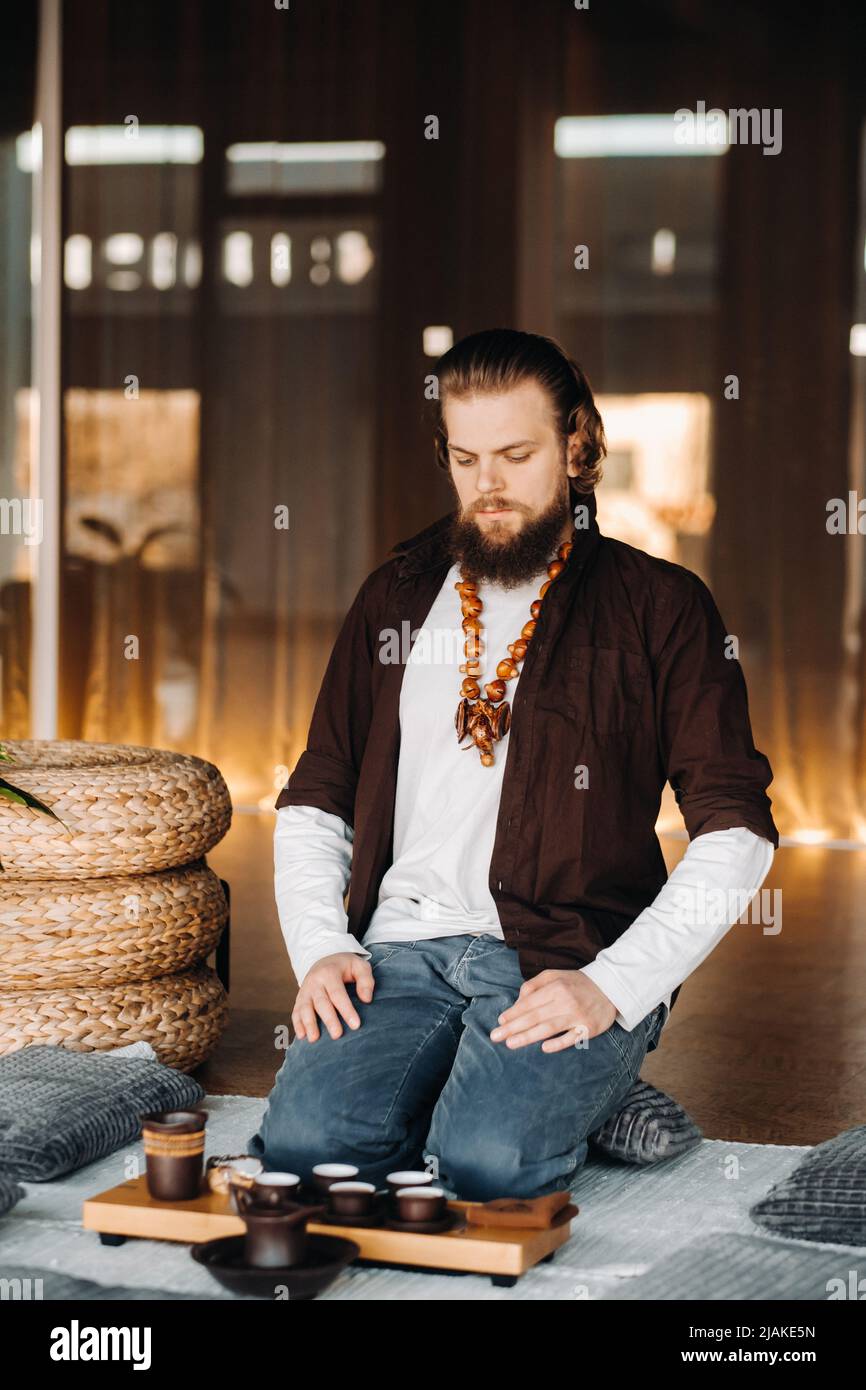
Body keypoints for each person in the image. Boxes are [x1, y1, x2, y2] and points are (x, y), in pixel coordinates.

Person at [248, 328, 778, 1201]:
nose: (487, 485)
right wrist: (320, 946)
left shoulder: (663, 607)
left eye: (516, 454)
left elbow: (738, 833)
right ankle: (542, 1090)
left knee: (484, 1169)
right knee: (305, 1154)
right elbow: (317, 794)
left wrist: (614, 987)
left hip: (564, 956)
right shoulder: (394, 597)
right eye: (465, 458)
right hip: (400, 952)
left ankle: (575, 1072)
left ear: (575, 445)